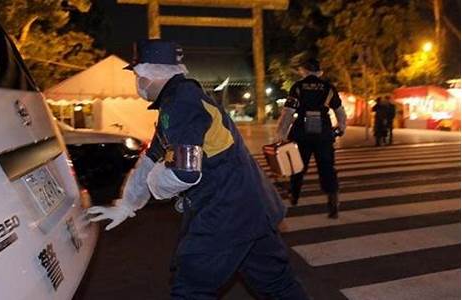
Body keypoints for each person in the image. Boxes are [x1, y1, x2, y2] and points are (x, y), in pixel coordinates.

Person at [87, 39, 309, 300]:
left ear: (150, 74)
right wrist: (127, 203)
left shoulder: (180, 103)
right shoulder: (184, 98)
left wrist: (157, 184)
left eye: (138, 76)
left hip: (226, 215)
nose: (137, 83)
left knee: (191, 288)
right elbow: (151, 157)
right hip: (252, 210)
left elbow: (184, 172)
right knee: (279, 287)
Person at [276, 58, 347, 218]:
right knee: (327, 167)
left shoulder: (298, 87)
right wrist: (341, 127)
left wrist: (281, 133)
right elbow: (339, 110)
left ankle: (294, 195)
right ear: (319, 72)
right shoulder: (328, 88)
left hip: (302, 132)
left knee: (298, 166)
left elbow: (287, 112)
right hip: (323, 131)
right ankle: (333, 200)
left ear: (304, 71)